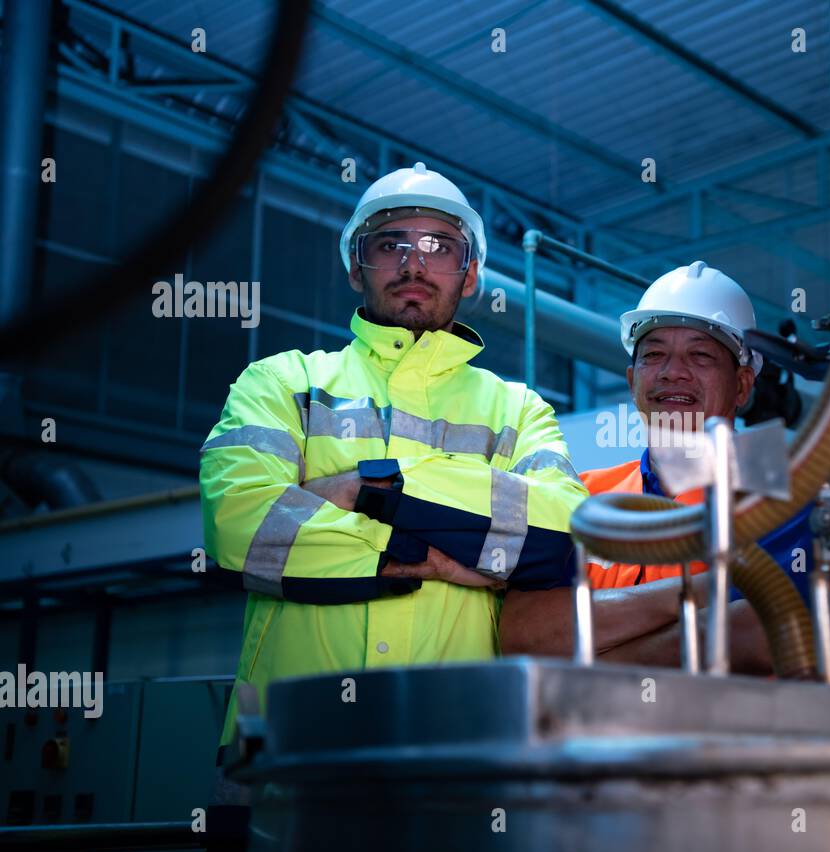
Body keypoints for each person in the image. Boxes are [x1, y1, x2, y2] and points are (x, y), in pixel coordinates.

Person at [199, 162, 588, 762]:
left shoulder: (518, 409)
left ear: (471, 273)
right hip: (287, 746)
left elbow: (563, 538)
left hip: (459, 751)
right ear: (355, 267)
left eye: (439, 247)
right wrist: (449, 550)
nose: (414, 264)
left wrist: (372, 489)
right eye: (390, 246)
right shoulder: (282, 381)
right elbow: (242, 524)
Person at [498, 261, 815, 673]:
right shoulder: (584, 494)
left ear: (741, 386)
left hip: (729, 734)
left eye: (700, 355)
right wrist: (696, 594)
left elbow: (758, 631)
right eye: (654, 355)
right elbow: (521, 634)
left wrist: (588, 653)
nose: (672, 372)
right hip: (595, 735)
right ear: (632, 381)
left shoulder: (777, 483)